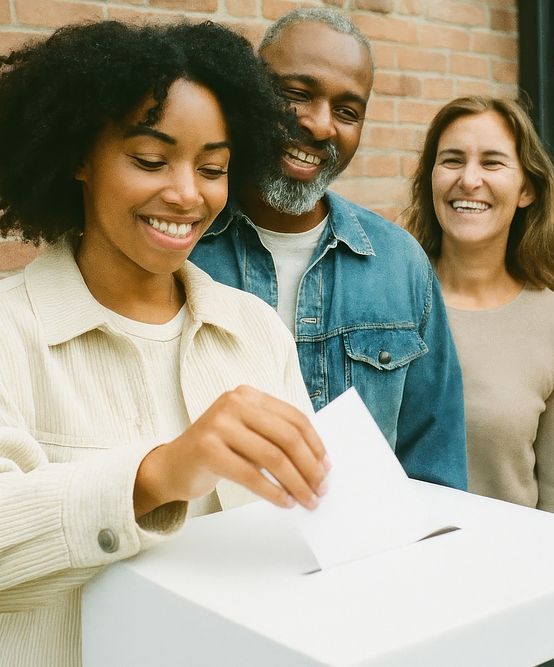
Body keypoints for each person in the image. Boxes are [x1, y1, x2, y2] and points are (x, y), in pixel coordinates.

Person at [0, 21, 330, 666]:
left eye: (214, 168)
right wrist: (153, 476)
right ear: (78, 156)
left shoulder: (255, 329)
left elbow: (306, 524)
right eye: (150, 160)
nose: (187, 193)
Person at [190, 8, 467, 491]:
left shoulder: (400, 265)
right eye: (295, 95)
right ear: (251, 91)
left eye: (347, 111)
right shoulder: (183, 245)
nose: (320, 126)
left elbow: (434, 469)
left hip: (365, 560)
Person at [403, 96, 554, 519]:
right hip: (389, 570)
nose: (469, 180)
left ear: (527, 189)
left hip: (511, 573)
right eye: (452, 160)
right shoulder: (388, 299)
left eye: (492, 163)